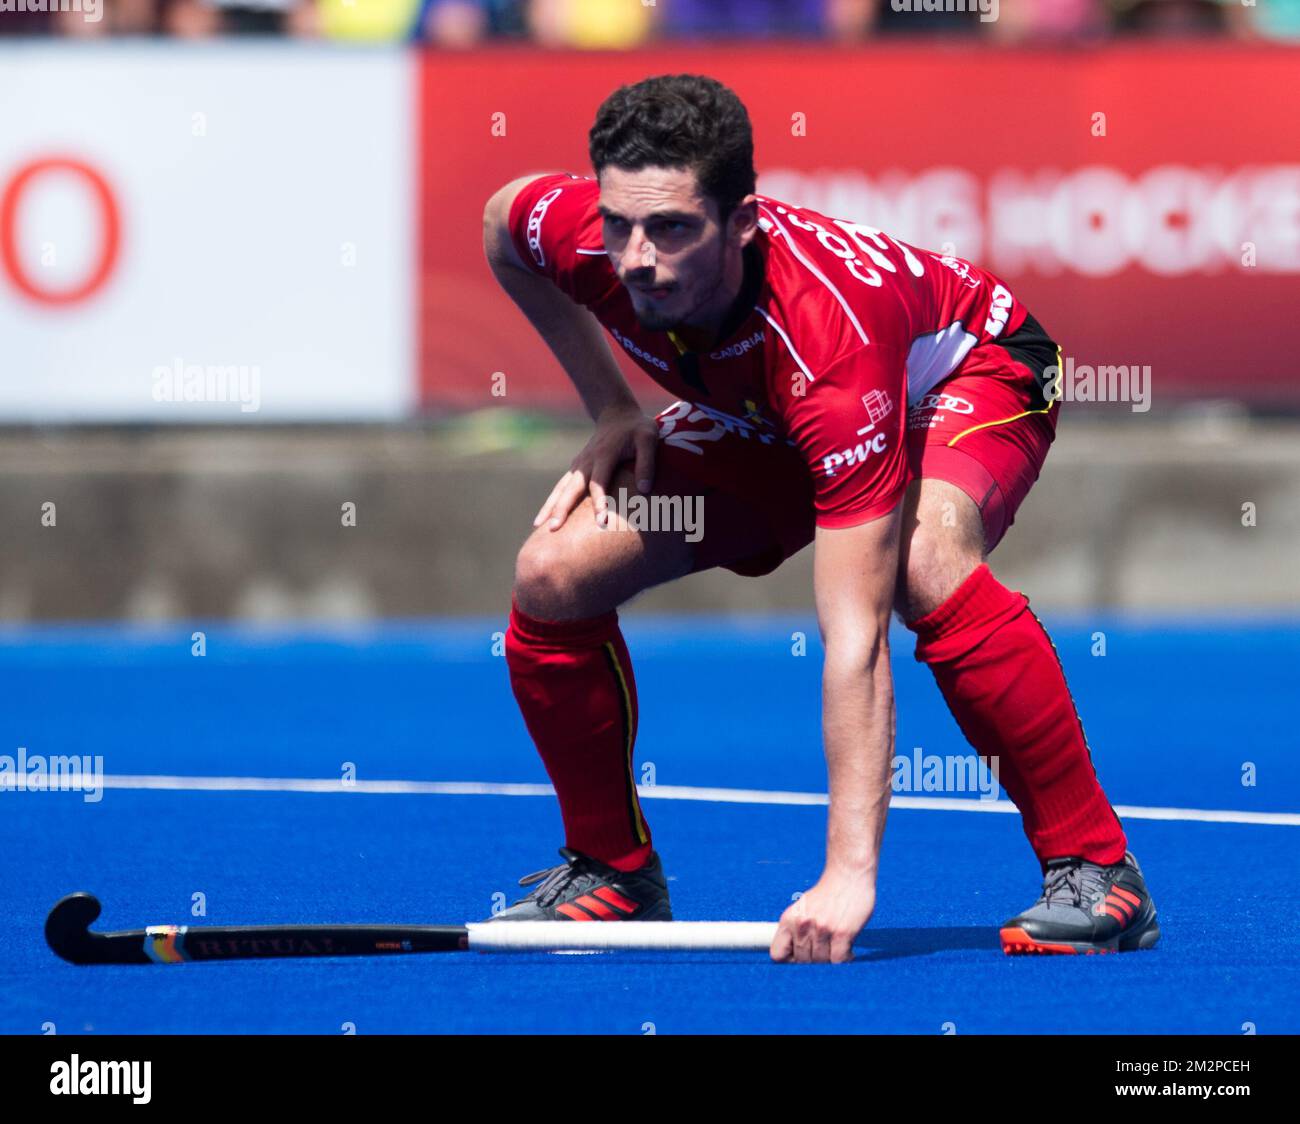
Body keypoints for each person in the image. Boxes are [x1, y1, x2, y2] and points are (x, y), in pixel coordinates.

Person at [480, 73, 1159, 962]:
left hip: (970, 375)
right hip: (770, 415)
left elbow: (855, 639)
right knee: (550, 573)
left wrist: (849, 873)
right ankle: (616, 874)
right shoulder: (585, 235)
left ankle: (1098, 868)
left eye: (675, 230)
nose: (639, 258)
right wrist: (611, 407)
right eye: (620, 226)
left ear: (743, 223)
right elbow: (502, 226)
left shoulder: (828, 344)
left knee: (920, 565)